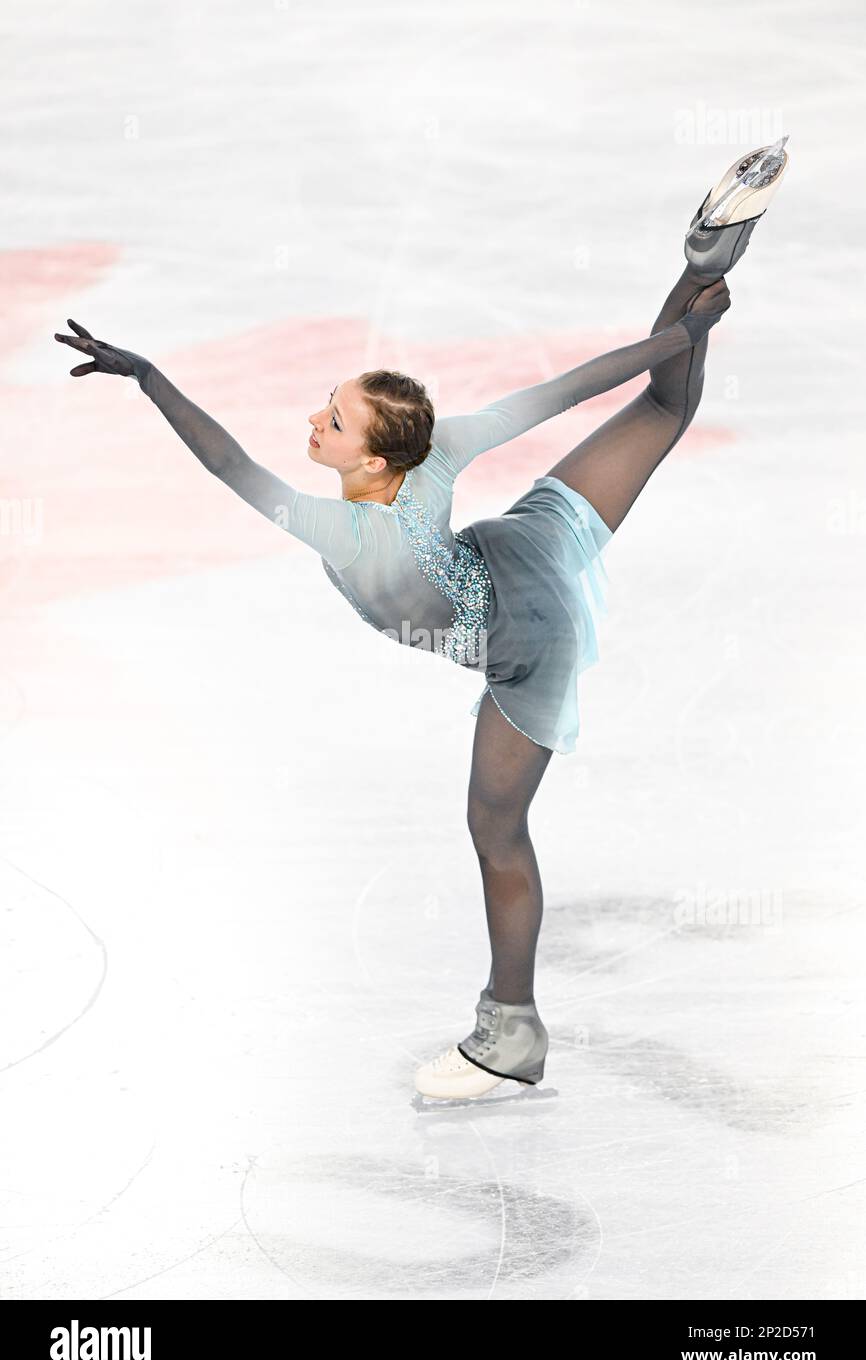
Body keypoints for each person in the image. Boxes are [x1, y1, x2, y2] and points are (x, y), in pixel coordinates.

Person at [54, 138, 789, 1102]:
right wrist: (686, 327)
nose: (316, 420)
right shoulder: (435, 457)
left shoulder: (335, 526)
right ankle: (702, 260)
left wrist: (152, 377)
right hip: (521, 547)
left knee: (494, 826)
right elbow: (584, 383)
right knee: (661, 412)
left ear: (373, 462)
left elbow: (228, 463)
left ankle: (510, 1032)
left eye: (336, 419)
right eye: (327, 406)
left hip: (529, 648)